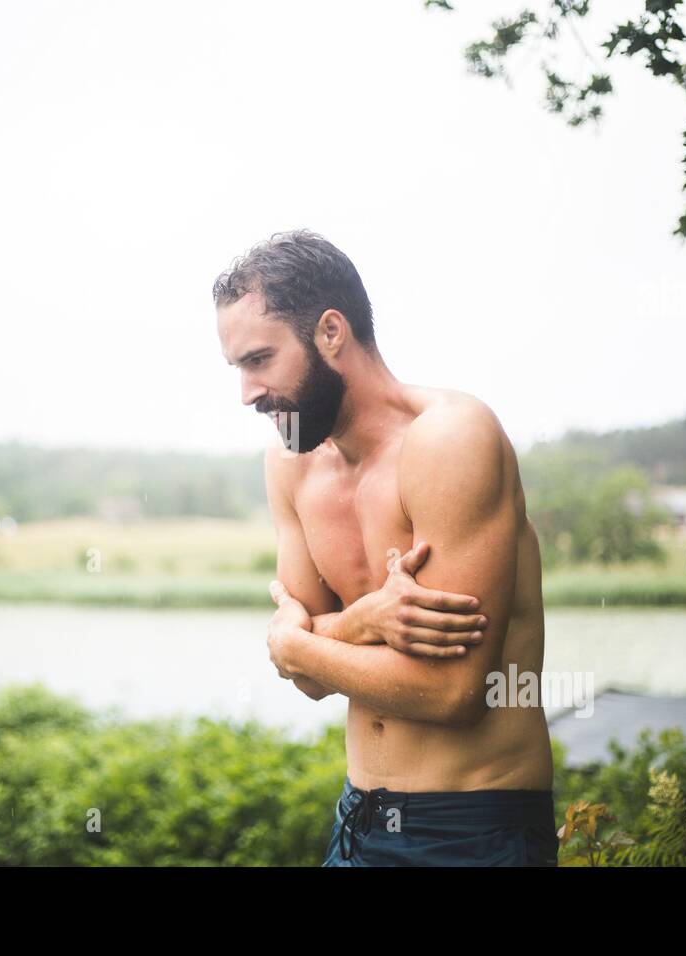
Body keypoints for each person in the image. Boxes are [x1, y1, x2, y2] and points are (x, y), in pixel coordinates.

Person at [213, 229, 557, 866]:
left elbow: (453, 693)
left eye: (259, 360)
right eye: (237, 368)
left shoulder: (450, 440)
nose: (247, 394)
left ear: (331, 332)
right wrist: (360, 621)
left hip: (473, 826)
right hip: (357, 820)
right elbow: (308, 682)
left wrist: (300, 641)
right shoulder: (292, 465)